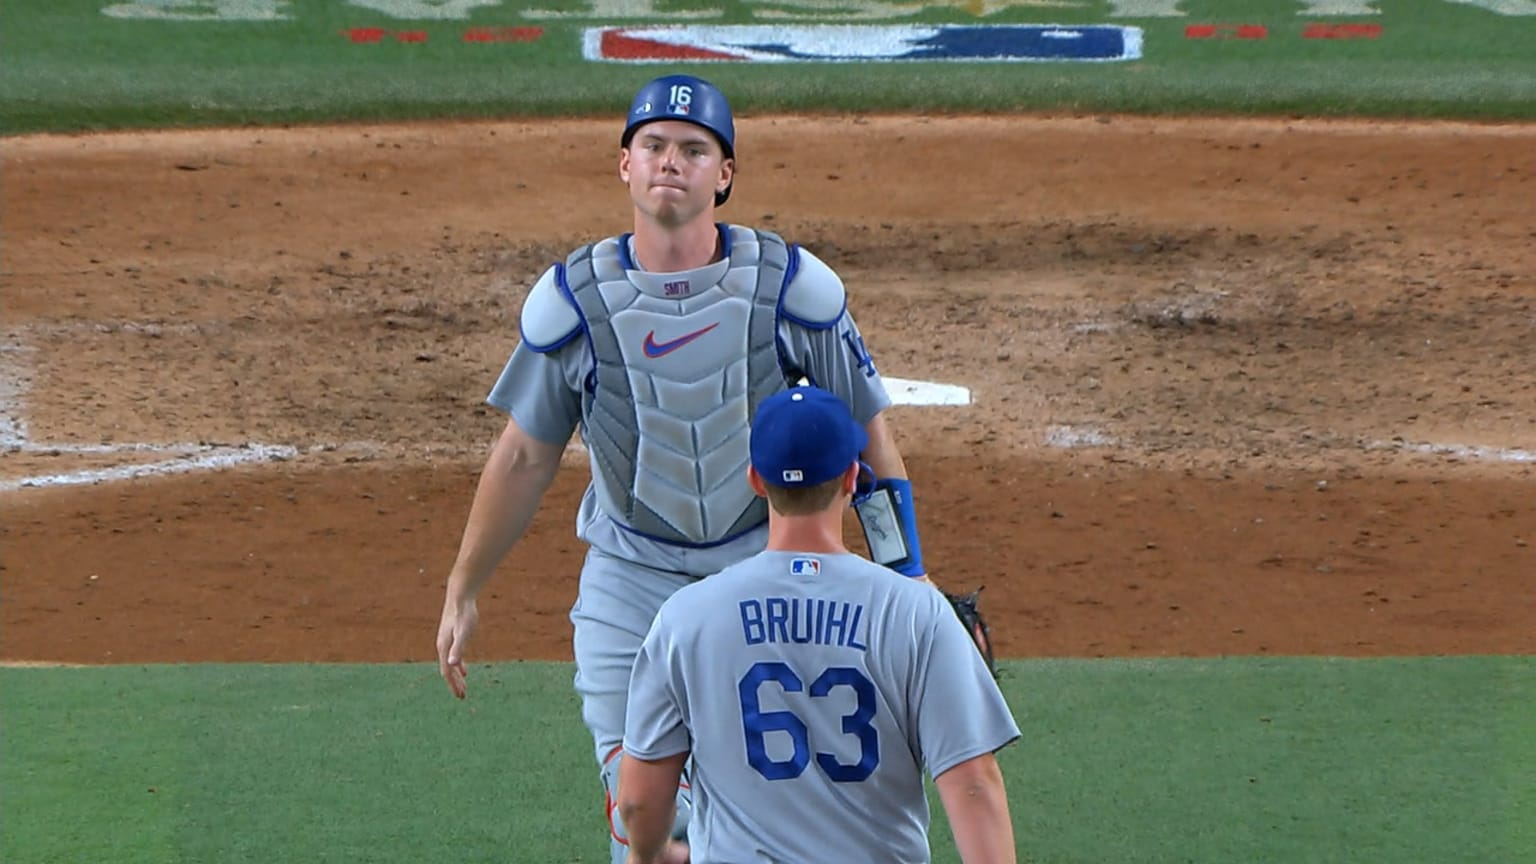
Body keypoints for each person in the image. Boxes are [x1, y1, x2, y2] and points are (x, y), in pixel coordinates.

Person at [434, 74, 934, 864]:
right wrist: (463, 587)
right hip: (629, 583)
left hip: (761, 576)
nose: (672, 161)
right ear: (624, 165)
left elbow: (870, 441)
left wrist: (908, 575)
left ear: (724, 174)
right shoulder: (573, 302)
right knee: (645, 816)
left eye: (695, 149)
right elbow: (525, 455)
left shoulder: (794, 290)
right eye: (655, 146)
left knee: (767, 806)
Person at [618, 385, 1020, 864]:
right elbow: (973, 783)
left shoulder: (686, 619)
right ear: (852, 476)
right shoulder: (916, 613)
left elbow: (640, 799)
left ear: (755, 479)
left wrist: (651, 853)